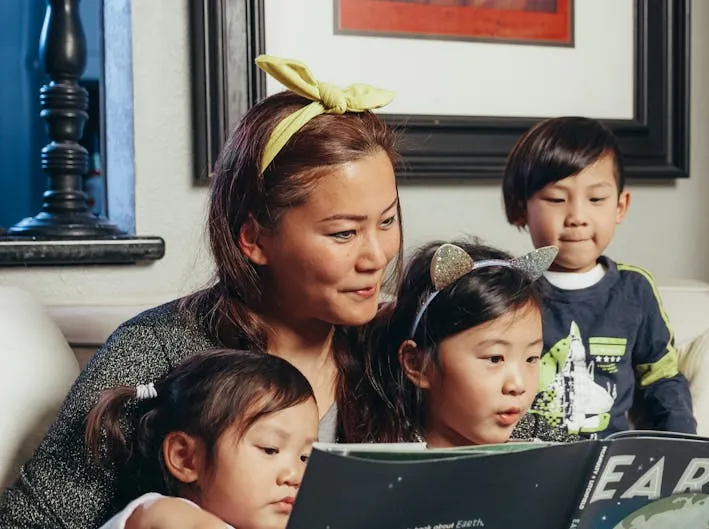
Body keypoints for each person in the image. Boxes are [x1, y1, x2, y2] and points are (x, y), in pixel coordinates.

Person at [0, 54, 402, 529]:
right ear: (253, 237)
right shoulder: (154, 350)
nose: (377, 256)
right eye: (343, 233)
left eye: (388, 221)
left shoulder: (403, 349)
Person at [500, 116, 696, 439]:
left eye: (596, 199)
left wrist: (682, 445)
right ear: (521, 208)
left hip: (610, 467)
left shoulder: (635, 291)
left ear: (620, 206)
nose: (577, 217)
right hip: (527, 463)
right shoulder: (507, 288)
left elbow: (661, 380)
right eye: (556, 199)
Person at [359, 239, 573, 446]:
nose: (518, 385)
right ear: (416, 364)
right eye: (495, 358)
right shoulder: (380, 460)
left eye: (531, 358)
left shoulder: (550, 447)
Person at [89, 350, 318, 529]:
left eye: (305, 457)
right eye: (270, 449)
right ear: (185, 458)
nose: (295, 476)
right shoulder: (167, 514)